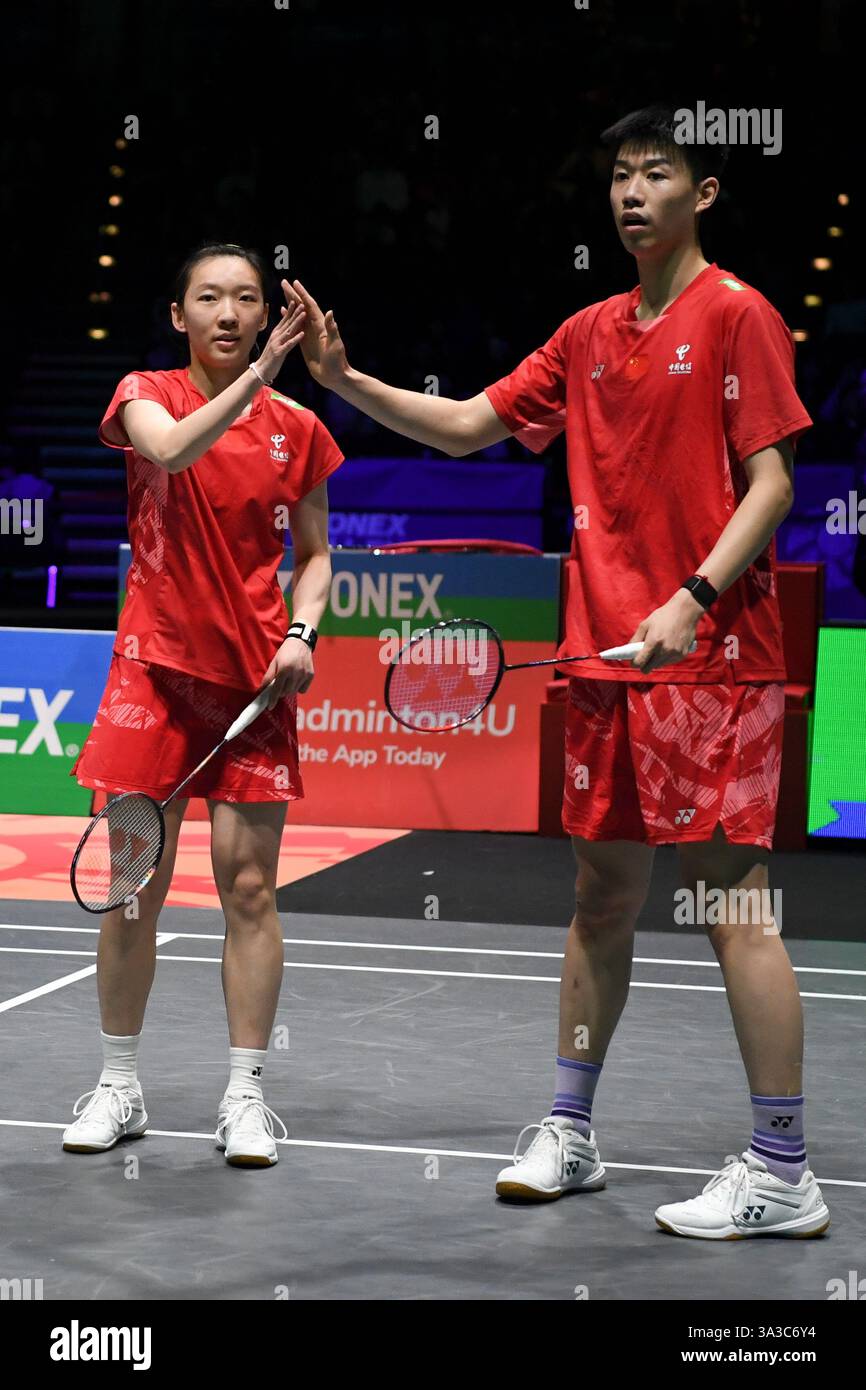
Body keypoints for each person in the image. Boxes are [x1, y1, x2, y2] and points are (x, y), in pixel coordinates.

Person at [284, 105, 830, 1239]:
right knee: (599, 901)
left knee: (734, 904)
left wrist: (691, 597)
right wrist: (346, 380)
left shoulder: (738, 316)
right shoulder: (585, 332)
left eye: (656, 174)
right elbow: (472, 425)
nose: (631, 193)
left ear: (704, 192)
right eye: (619, 176)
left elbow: (771, 482)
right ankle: (570, 1130)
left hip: (710, 660)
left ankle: (781, 1167)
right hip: (604, 657)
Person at [65, 242, 344, 1167]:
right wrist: (259, 378)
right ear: (179, 315)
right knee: (133, 891)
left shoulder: (299, 427)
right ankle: (117, 1084)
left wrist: (303, 634)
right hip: (152, 674)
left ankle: (246, 1096)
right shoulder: (144, 391)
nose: (229, 312)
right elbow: (175, 454)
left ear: (268, 313)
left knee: (251, 889)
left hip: (254, 681)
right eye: (209, 298)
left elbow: (313, 556)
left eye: (248, 299)